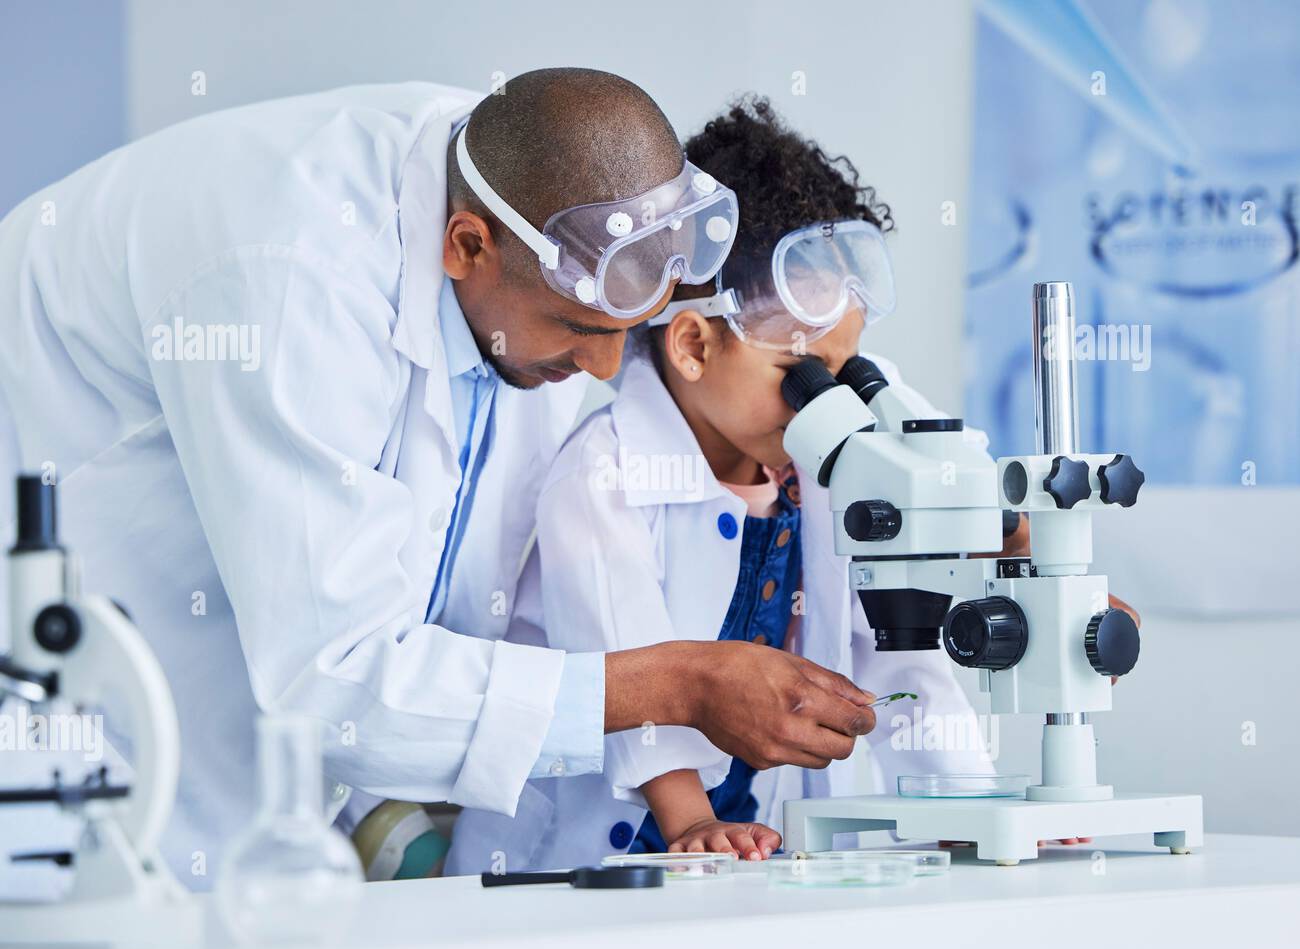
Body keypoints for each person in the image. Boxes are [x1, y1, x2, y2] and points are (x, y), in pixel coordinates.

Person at [0, 72, 875, 889]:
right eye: (579, 328)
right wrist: (679, 682)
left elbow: (438, 559)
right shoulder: (294, 275)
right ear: (466, 247)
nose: (607, 365)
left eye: (627, 330)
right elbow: (336, 674)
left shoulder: (541, 192)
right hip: (76, 649)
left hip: (250, 731)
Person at [446, 98, 1000, 874]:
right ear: (694, 344)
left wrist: (978, 810)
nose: (826, 404)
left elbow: (901, 661)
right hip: (579, 851)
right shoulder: (602, 473)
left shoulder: (830, 473)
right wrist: (690, 820)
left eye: (843, 376)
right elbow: (630, 657)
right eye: (798, 374)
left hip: (747, 845)